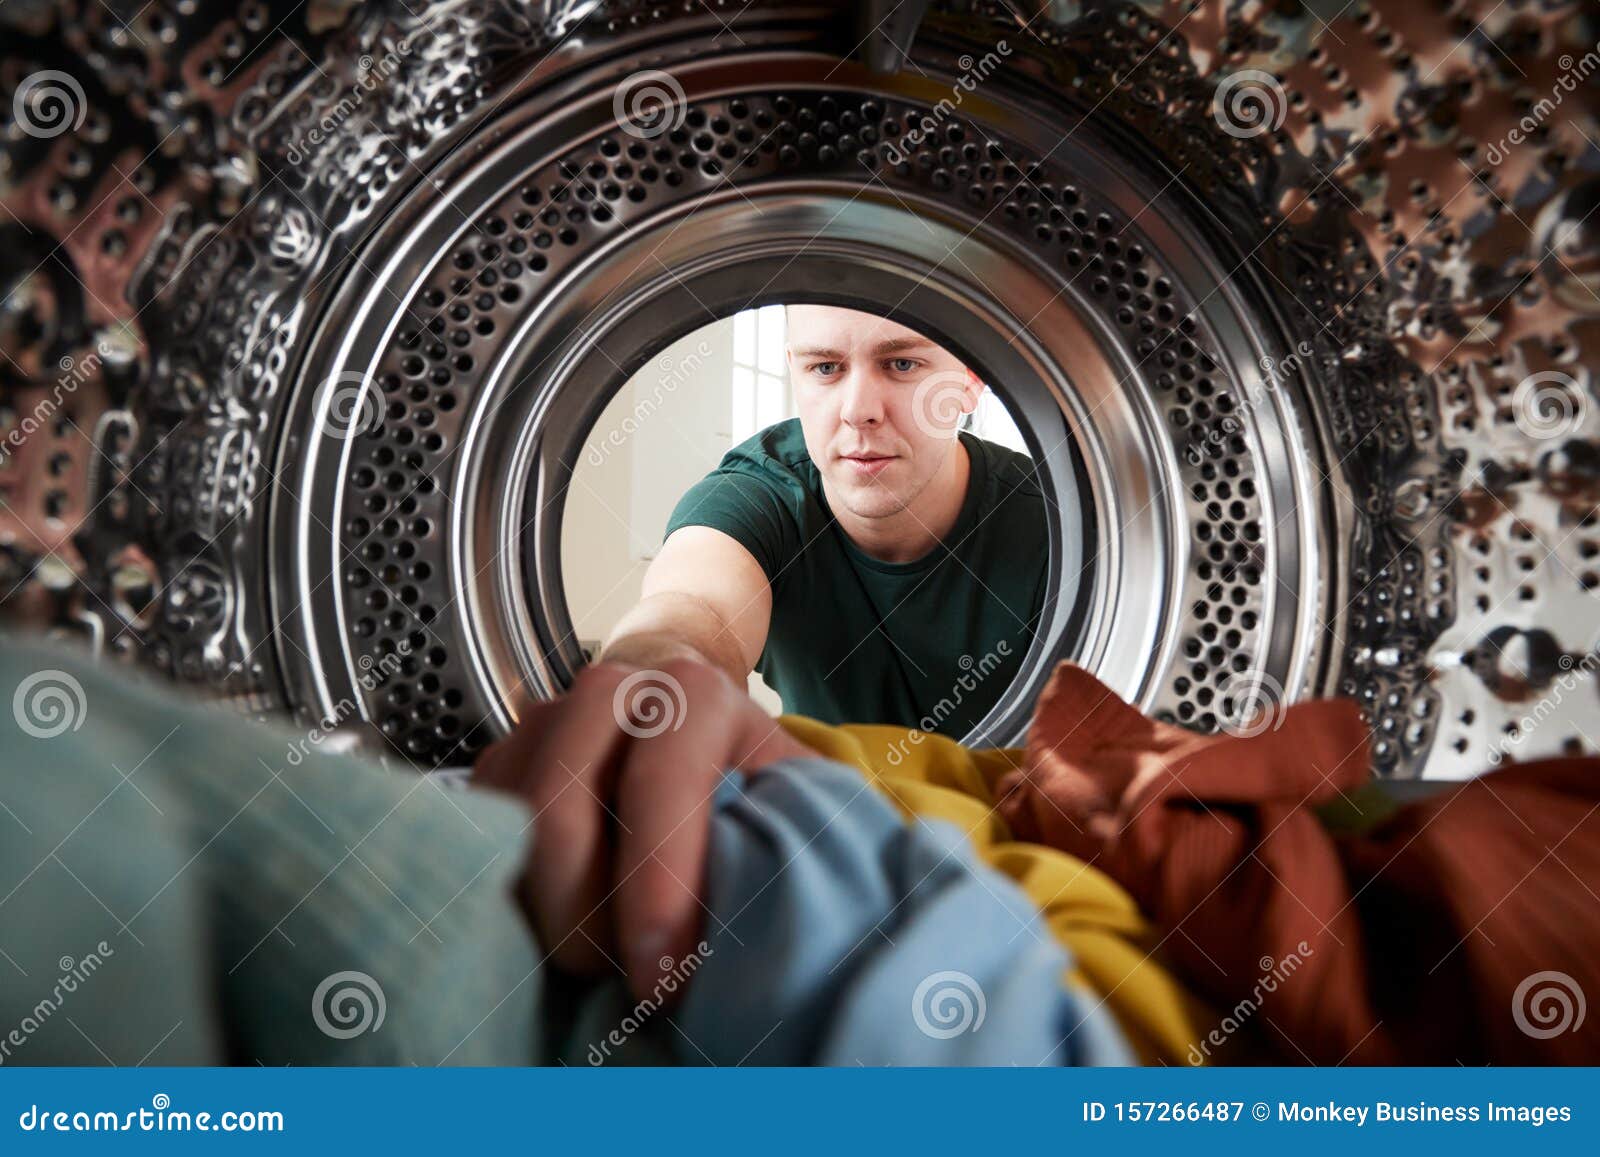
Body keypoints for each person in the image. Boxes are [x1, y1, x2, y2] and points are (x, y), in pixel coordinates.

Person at [600, 304, 1049, 736]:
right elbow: (694, 606)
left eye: (902, 364)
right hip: (819, 812)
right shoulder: (756, 497)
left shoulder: (1059, 523)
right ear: (795, 369)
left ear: (971, 376)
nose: (858, 410)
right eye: (826, 368)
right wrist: (654, 674)